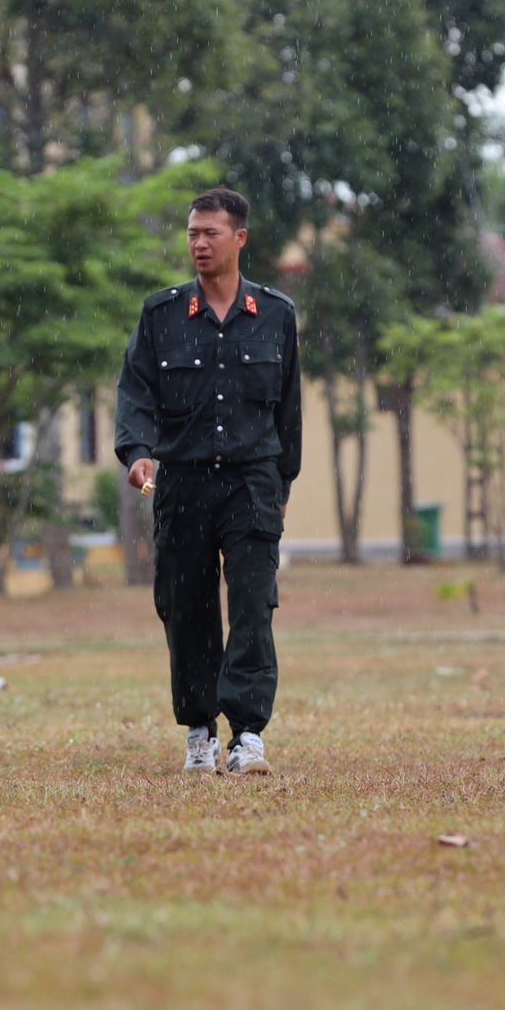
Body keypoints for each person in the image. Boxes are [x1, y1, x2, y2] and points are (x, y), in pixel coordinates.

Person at [114, 188, 301, 776]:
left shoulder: (275, 314)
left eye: (211, 233)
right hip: (184, 483)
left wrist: (281, 488)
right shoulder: (162, 314)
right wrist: (139, 452)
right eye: (193, 233)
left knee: (252, 605)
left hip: (252, 482)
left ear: (239, 238)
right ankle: (200, 728)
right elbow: (136, 392)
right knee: (186, 606)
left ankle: (247, 734)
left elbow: (288, 412)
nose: (199, 243)